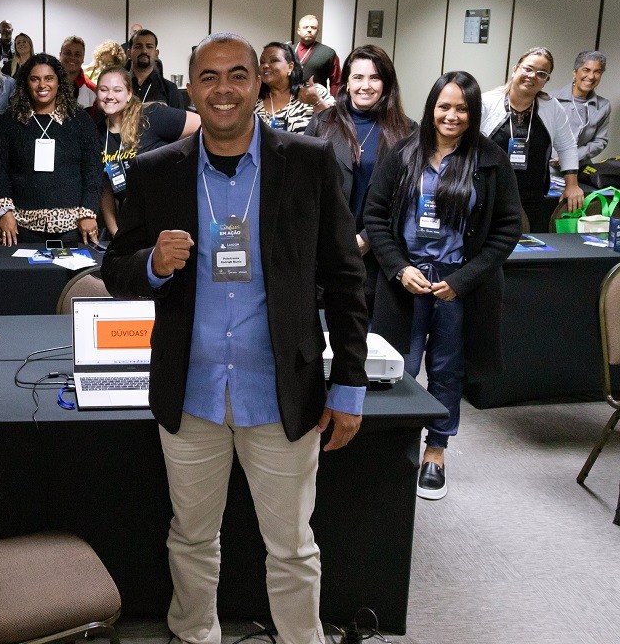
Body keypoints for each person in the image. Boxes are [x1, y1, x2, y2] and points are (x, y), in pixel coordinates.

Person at [100, 32, 368, 644]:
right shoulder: (155, 171)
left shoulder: (307, 161)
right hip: (189, 392)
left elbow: (345, 280)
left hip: (279, 393)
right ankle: (195, 635)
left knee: (294, 547)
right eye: (210, 77)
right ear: (190, 87)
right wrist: (151, 266)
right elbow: (116, 268)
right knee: (191, 538)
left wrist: (349, 383)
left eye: (238, 75)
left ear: (260, 83)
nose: (224, 89)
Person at [363, 72, 522, 500]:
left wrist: (462, 280)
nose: (452, 116)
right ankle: (394, 446)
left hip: (457, 284)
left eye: (462, 108)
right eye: (444, 106)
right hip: (405, 281)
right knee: (397, 368)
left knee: (447, 370)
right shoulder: (403, 153)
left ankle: (436, 450)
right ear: (432, 106)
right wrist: (397, 268)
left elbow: (508, 229)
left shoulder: (490, 160)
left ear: (473, 113)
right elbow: (375, 217)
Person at [305, 44, 414, 310]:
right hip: (326, 251)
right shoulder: (322, 123)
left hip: (379, 253)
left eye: (374, 77)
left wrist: (367, 237)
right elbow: (305, 189)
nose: (366, 86)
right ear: (346, 82)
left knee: (371, 341)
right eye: (358, 77)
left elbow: (407, 196)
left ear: (387, 83)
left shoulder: (408, 130)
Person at [0, 53, 102, 247]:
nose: (42, 85)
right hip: (20, 227)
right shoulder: (9, 121)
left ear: (59, 82)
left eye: (49, 78)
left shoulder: (80, 120)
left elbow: (93, 170)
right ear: (26, 83)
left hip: (72, 226)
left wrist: (88, 213)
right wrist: (4, 211)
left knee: (72, 278)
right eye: (35, 79)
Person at [481, 46, 582, 232]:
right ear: (515, 69)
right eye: (527, 69)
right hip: (487, 196)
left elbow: (567, 146)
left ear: (546, 80)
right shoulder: (486, 102)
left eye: (542, 73)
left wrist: (572, 184)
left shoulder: (552, 108)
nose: (532, 76)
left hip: (533, 197)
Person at [95, 66, 199, 236]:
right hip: (133, 222)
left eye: (117, 90)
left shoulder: (151, 116)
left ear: (129, 94)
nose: (109, 96)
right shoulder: (98, 133)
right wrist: (116, 233)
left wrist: (183, 164)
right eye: (103, 90)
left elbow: (203, 125)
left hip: (168, 216)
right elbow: (105, 188)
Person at [255, 41, 335, 133]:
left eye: (273, 60)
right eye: (262, 62)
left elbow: (337, 127)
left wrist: (317, 102)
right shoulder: (255, 100)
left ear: (290, 67)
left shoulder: (315, 92)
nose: (265, 66)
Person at [551, 49, 609, 173]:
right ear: (575, 72)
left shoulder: (603, 106)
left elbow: (600, 141)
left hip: (580, 170)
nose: (591, 76)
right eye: (586, 70)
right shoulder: (551, 99)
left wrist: (574, 156)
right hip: (549, 169)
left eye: (597, 72)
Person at [130, 29, 184, 109]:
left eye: (149, 47)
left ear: (156, 53)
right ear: (129, 53)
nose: (144, 51)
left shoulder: (170, 89)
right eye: (138, 47)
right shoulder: (118, 86)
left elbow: (179, 120)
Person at [294, 14, 342, 93]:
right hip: (290, 101)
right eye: (305, 27)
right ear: (298, 31)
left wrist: (333, 103)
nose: (309, 30)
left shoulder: (328, 53)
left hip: (317, 101)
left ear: (317, 31)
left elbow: (336, 82)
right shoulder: (288, 51)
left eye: (313, 27)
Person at [59, 35, 96, 108]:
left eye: (77, 54)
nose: (72, 57)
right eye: (68, 53)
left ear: (83, 58)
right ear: (60, 55)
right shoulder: (48, 85)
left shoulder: (93, 90)